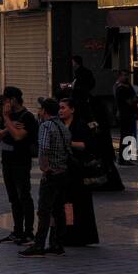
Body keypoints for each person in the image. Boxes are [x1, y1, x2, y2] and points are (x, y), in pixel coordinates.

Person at [20, 97, 72, 257]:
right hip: (63, 172)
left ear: (45, 111)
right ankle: (57, 243)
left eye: (41, 108)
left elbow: (43, 148)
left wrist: (45, 168)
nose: (38, 110)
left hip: (51, 174)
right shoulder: (63, 126)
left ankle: (39, 244)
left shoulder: (46, 126)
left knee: (44, 210)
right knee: (58, 210)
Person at [0, 86, 36, 245]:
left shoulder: (27, 117)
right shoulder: (10, 117)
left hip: (20, 162)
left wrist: (6, 119)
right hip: (7, 161)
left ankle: (29, 232)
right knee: (13, 197)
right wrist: (7, 125)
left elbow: (18, 136)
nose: (4, 103)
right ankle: (17, 230)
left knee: (23, 195)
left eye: (6, 100)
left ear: (13, 100)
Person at [61, 96, 100, 247]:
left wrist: (68, 144)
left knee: (80, 202)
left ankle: (81, 234)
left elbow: (86, 145)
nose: (61, 110)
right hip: (65, 168)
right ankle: (68, 233)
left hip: (78, 170)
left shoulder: (80, 125)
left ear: (72, 109)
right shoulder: (60, 124)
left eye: (64, 107)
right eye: (60, 107)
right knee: (67, 202)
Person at [113, 71, 138, 165]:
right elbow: (130, 101)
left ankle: (126, 157)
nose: (127, 77)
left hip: (127, 114)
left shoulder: (125, 86)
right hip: (125, 115)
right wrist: (136, 99)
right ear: (120, 76)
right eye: (125, 75)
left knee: (128, 135)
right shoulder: (121, 88)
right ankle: (124, 158)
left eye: (127, 75)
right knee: (126, 135)